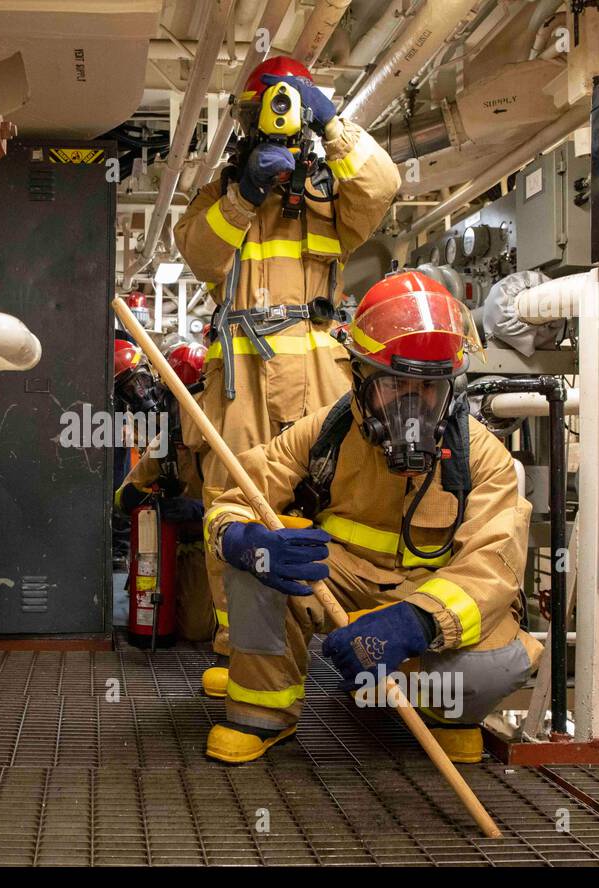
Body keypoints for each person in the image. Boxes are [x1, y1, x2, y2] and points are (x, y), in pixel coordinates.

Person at [200, 272, 542, 765]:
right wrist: (240, 538)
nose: (412, 405)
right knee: (254, 568)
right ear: (359, 378)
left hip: (427, 593)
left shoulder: (481, 456)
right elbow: (237, 495)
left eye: (429, 387)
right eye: (395, 385)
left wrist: (416, 621)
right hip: (338, 582)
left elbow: (495, 566)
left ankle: (438, 710)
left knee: (493, 668)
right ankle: (262, 714)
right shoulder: (325, 433)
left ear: (452, 387)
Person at [174, 55, 400, 661]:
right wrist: (244, 195)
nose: (278, 118)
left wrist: (334, 123)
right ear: (248, 120)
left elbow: (382, 185)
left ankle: (329, 628)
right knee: (235, 494)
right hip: (240, 378)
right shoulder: (219, 196)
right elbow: (200, 255)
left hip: (318, 372)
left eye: (289, 105)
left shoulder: (333, 196)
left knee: (326, 494)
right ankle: (238, 647)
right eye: (266, 108)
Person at [114, 341, 214, 643]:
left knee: (195, 629)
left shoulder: (228, 445)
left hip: (211, 550)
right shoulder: (166, 442)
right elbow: (123, 496)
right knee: (150, 616)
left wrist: (200, 510)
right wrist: (138, 498)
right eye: (172, 399)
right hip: (166, 548)